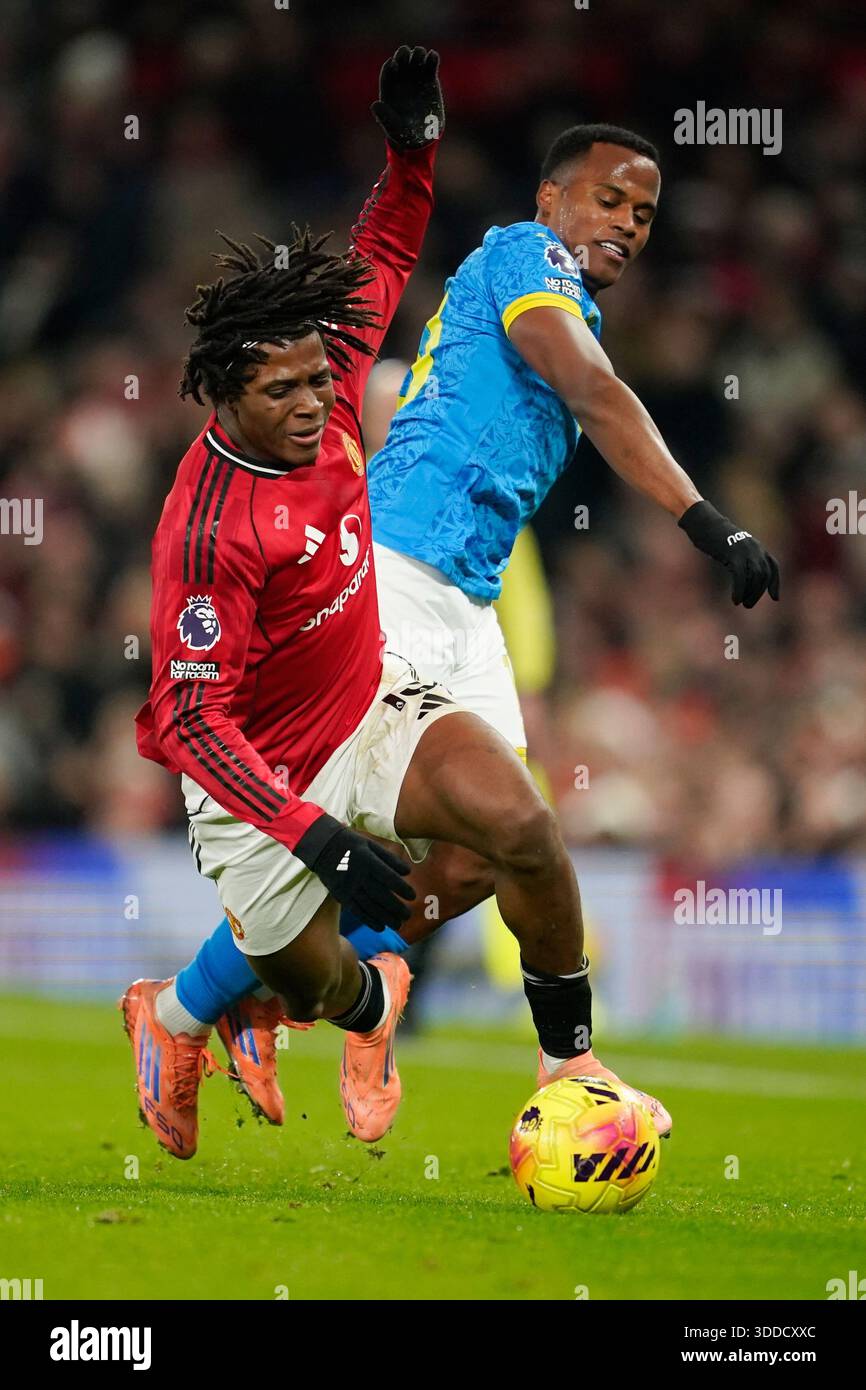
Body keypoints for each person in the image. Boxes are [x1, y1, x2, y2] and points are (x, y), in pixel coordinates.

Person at [132, 118, 779, 1156]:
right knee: (444, 835)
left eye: (644, 214)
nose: (625, 223)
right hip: (387, 574)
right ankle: (258, 1003)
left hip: (465, 600)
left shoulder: (572, 310)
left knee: (503, 848)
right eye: (606, 199)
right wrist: (705, 518)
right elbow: (590, 392)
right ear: (550, 200)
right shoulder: (526, 261)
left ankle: (259, 998)